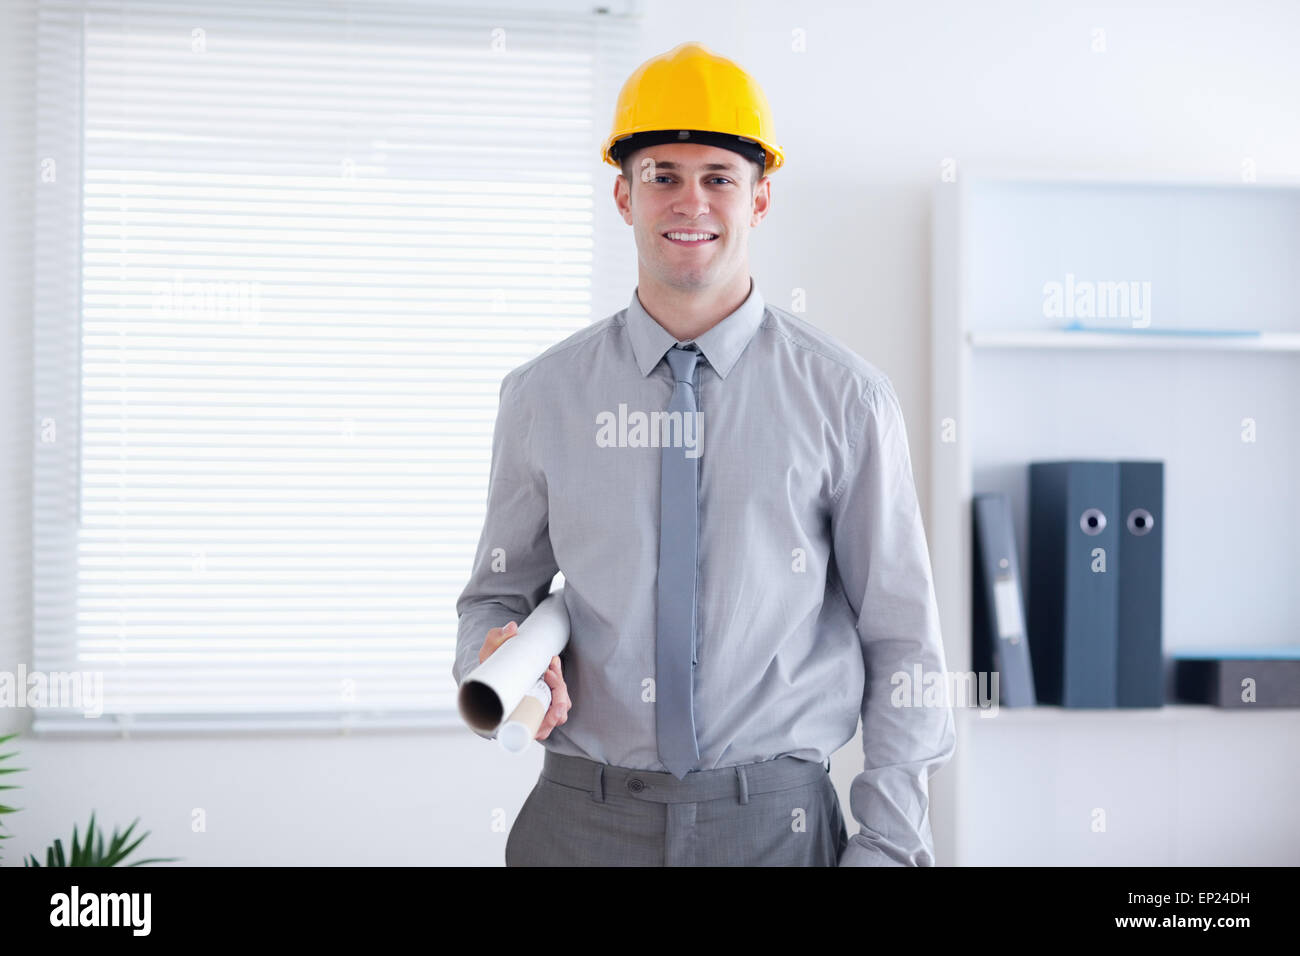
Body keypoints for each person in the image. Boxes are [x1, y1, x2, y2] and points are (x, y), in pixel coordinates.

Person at [454, 40, 955, 867]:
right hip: (581, 822)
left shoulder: (847, 400)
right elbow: (494, 594)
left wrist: (891, 847)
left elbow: (904, 642)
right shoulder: (542, 397)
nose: (691, 201)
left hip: (777, 828)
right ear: (624, 196)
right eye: (663, 176)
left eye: (719, 176)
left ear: (759, 200)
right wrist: (494, 652)